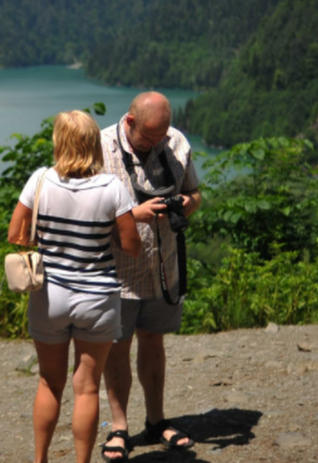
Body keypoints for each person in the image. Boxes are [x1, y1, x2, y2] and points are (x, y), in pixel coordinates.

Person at [8, 111, 142, 463]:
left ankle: (40, 460)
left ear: (59, 142)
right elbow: (132, 245)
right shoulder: (112, 187)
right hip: (97, 298)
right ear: (93, 144)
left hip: (50, 296)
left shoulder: (40, 180)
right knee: (87, 388)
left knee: (50, 383)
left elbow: (16, 235)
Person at [100, 93, 202, 460]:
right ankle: (118, 426)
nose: (157, 143)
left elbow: (194, 192)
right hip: (117, 273)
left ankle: (157, 420)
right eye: (149, 136)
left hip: (164, 267)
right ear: (129, 122)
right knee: (117, 349)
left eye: (161, 135)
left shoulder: (176, 143)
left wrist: (188, 203)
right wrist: (132, 215)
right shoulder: (99, 148)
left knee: (154, 343)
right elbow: (83, 212)